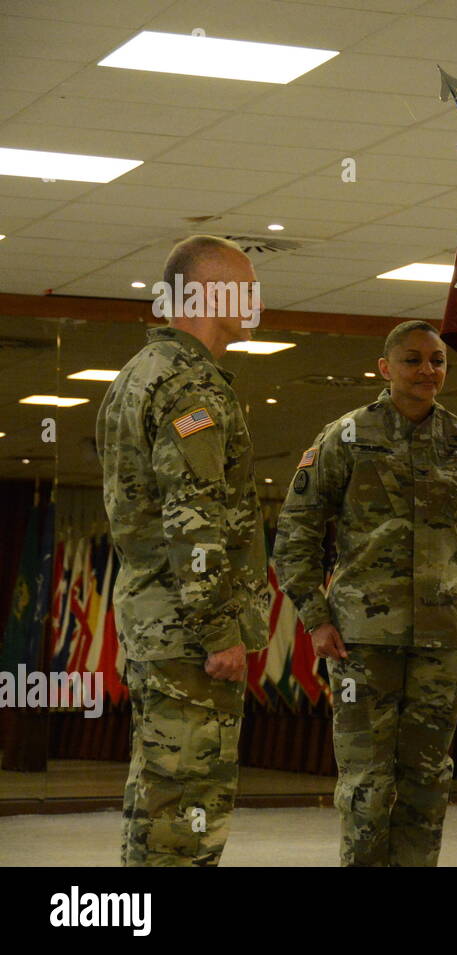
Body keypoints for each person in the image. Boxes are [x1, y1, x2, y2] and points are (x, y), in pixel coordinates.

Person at [273, 321, 457, 867]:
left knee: (427, 778)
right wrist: (315, 617)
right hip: (361, 641)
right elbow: (296, 532)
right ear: (385, 368)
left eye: (438, 361)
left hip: (442, 641)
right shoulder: (346, 436)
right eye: (413, 360)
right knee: (367, 780)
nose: (428, 371)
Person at [97, 235, 271, 866]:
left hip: (156, 621)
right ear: (207, 293)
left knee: (159, 797)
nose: (254, 300)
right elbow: (191, 519)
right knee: (185, 811)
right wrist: (219, 629)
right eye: (245, 286)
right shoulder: (188, 384)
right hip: (187, 634)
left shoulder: (136, 376)